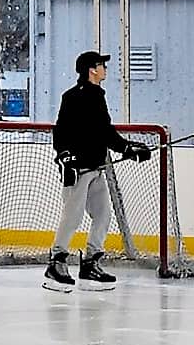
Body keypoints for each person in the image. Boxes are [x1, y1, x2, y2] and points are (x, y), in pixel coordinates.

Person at [45, 50, 150, 291]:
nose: (105, 69)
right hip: (78, 169)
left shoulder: (97, 96)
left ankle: (91, 262)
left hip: (96, 167)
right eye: (102, 65)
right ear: (92, 69)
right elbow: (61, 131)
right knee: (72, 218)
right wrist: (65, 156)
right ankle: (57, 261)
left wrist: (128, 148)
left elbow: (105, 131)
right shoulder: (73, 97)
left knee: (103, 215)